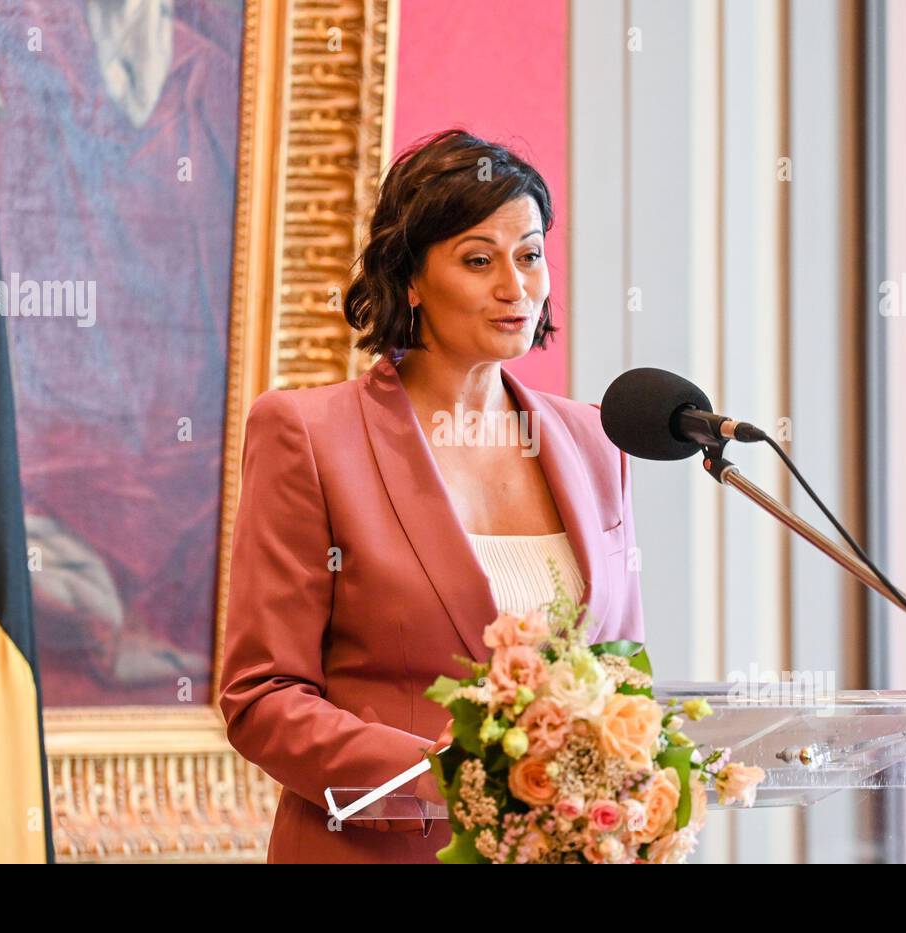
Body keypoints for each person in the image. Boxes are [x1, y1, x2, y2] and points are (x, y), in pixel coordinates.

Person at [219, 129, 645, 863]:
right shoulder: (309, 435)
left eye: (531, 254)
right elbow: (263, 699)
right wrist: (453, 778)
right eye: (479, 261)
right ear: (411, 279)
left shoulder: (594, 441)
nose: (516, 287)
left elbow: (622, 675)